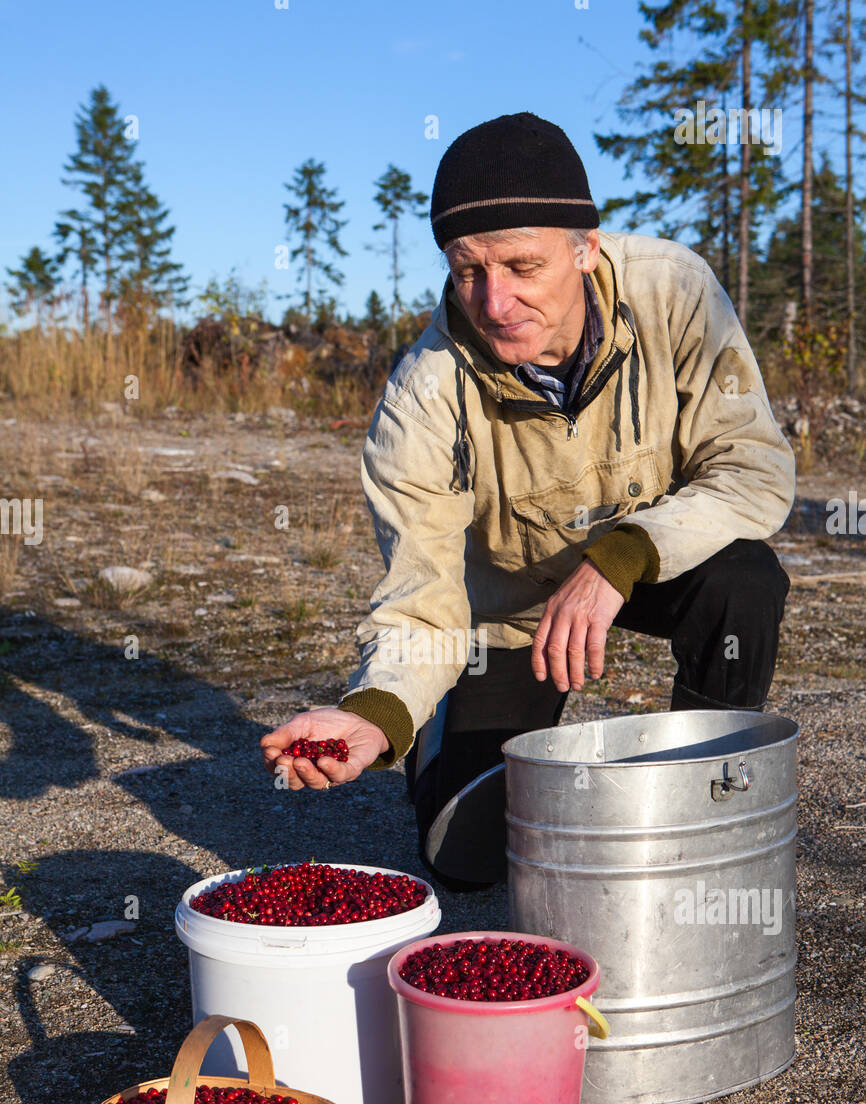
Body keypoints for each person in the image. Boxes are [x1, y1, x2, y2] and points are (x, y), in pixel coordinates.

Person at [261, 112, 794, 887]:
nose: (495, 300)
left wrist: (619, 560)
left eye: (521, 265)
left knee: (744, 580)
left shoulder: (675, 291)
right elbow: (422, 603)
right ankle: (443, 737)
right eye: (467, 269)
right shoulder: (421, 399)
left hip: (648, 562)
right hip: (509, 619)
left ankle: (701, 797)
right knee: (465, 857)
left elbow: (752, 469)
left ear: (586, 248)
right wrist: (374, 714)